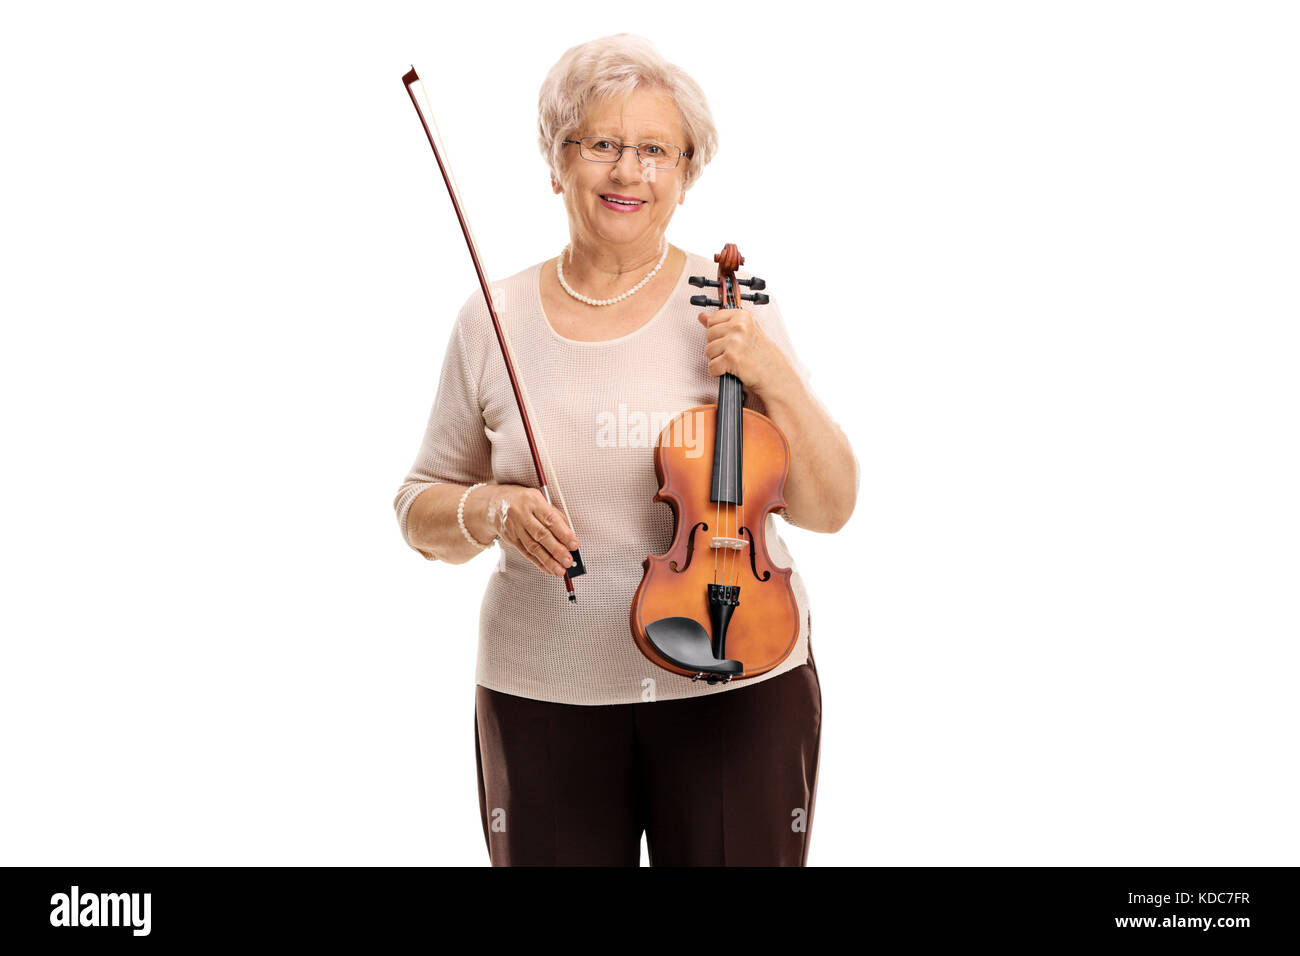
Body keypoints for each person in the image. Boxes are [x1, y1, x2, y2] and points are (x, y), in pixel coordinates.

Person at [393, 33, 858, 866]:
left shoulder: (730, 306)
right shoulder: (491, 321)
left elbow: (830, 507)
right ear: (556, 160)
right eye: (602, 143)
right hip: (544, 692)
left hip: (735, 678)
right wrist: (489, 508)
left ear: (684, 175)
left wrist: (771, 377)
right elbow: (421, 505)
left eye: (656, 150)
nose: (629, 171)